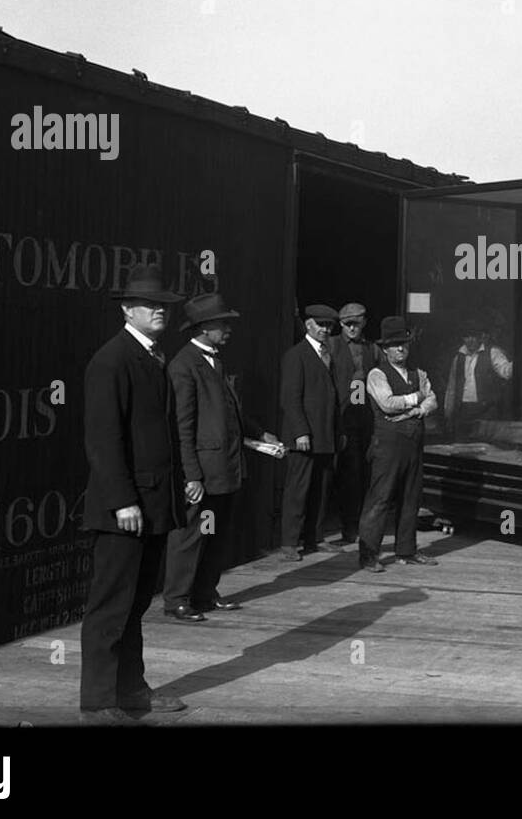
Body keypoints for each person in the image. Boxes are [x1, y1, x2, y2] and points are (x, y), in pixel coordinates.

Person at [79, 264, 188, 724]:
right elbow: (104, 440)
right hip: (124, 507)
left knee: (137, 603)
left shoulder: (152, 356)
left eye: (164, 305)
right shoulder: (112, 360)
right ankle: (99, 702)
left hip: (153, 504)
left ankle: (131, 690)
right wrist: (123, 500)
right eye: (150, 305)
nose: (160, 312)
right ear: (128, 310)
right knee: (111, 606)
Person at [163, 293, 281, 622]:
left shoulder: (214, 360)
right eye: (222, 323)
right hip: (204, 471)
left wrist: (259, 433)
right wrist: (191, 476)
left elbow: (230, 412)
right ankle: (177, 599)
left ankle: (204, 593)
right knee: (189, 536)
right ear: (203, 328)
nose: (228, 329)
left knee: (214, 534)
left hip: (226, 468)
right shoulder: (184, 366)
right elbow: (182, 427)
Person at [358, 316, 439, 572]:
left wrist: (416, 410)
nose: (401, 349)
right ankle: (369, 555)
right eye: (394, 345)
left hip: (413, 442)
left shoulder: (419, 373)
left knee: (411, 498)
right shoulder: (376, 374)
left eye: (404, 343)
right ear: (384, 349)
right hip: (387, 445)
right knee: (380, 499)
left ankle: (407, 550)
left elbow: (433, 401)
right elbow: (387, 403)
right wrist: (416, 397)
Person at [279, 304, 343, 560]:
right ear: (308, 325)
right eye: (321, 325)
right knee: (298, 490)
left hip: (325, 435)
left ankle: (314, 538)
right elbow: (290, 399)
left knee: (321, 488)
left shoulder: (328, 354)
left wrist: (338, 431)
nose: (325, 330)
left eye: (329, 326)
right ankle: (289, 542)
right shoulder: (296, 356)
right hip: (304, 437)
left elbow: (333, 398)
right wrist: (300, 432)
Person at [330, 301, 378, 545]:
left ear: (364, 323)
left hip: (364, 419)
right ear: (340, 324)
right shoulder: (331, 346)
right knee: (341, 473)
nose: (352, 328)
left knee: (361, 473)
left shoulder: (372, 349)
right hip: (339, 417)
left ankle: (357, 526)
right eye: (347, 324)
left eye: (356, 324)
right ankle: (339, 527)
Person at [444, 320, 513, 440]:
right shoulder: (458, 358)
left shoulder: (492, 353)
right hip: (463, 412)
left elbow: (506, 372)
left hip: (486, 411)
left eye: (473, 336)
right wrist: (448, 414)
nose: (470, 340)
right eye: (467, 336)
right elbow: (452, 388)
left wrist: (518, 360)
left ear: (480, 337)